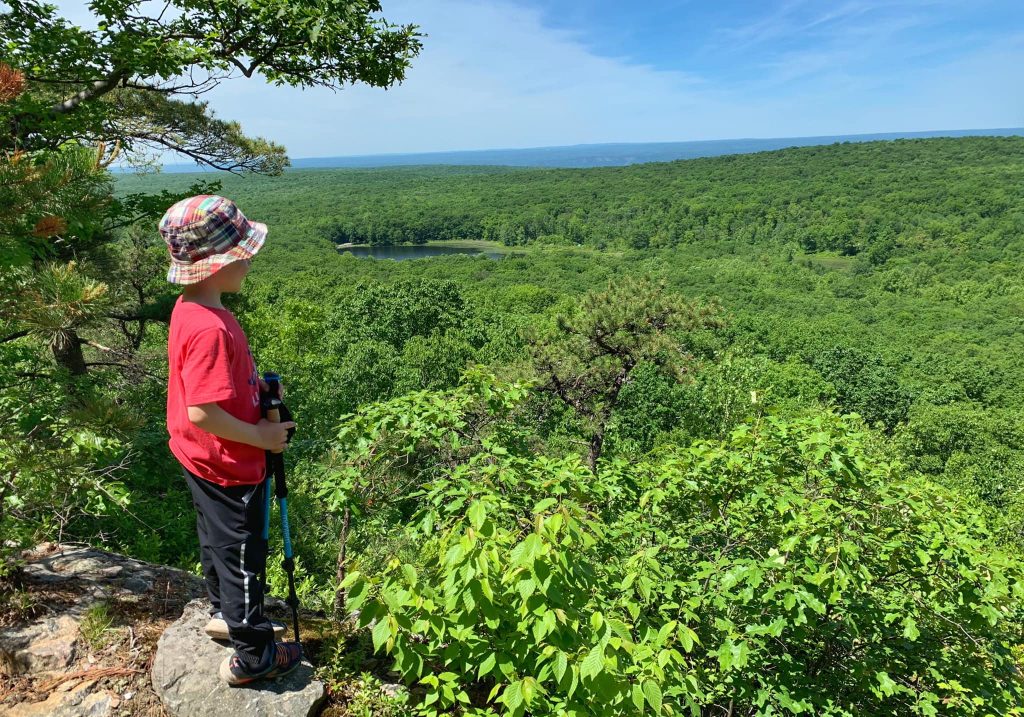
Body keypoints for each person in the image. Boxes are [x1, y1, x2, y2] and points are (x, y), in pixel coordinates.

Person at [161, 195, 302, 686]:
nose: (251, 259)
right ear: (217, 264)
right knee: (243, 551)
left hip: (199, 458)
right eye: (244, 252)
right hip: (229, 463)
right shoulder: (211, 328)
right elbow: (204, 411)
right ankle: (253, 657)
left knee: (218, 541)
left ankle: (225, 611)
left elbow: (208, 390)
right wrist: (261, 435)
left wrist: (256, 391)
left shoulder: (193, 308)